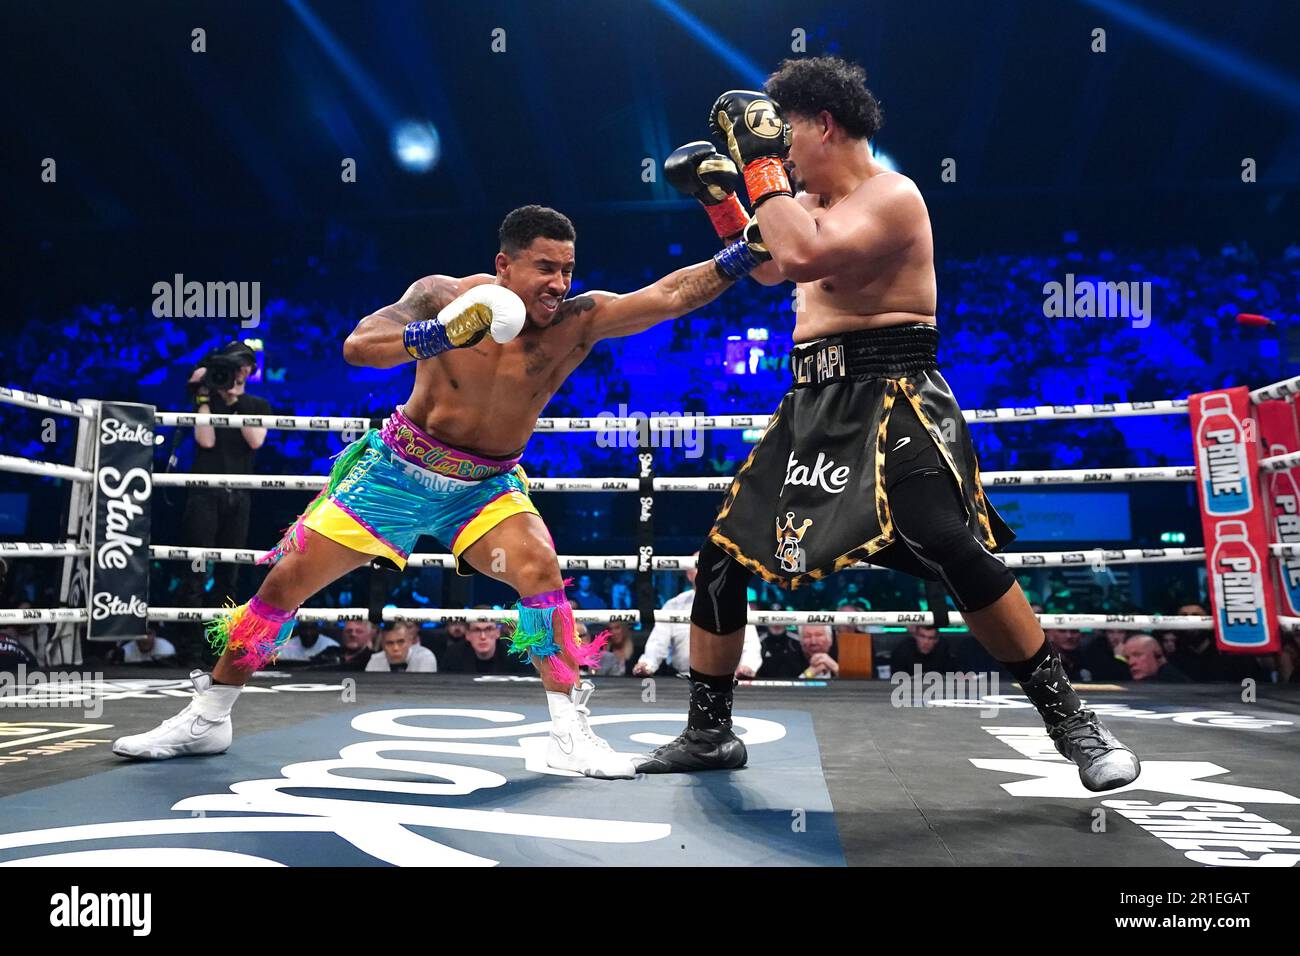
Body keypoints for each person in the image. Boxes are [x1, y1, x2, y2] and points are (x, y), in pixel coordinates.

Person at [115, 205, 765, 777]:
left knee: (539, 570)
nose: (559, 283)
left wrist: (745, 249)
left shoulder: (576, 320)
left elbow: (674, 293)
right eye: (546, 268)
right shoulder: (438, 295)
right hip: (396, 471)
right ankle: (208, 718)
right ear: (503, 265)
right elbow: (357, 347)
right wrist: (441, 333)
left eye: (567, 268)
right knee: (282, 586)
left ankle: (570, 732)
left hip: (484, 486)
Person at [639, 57, 1140, 793]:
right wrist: (723, 202)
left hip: (891, 391)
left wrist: (757, 167)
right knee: (724, 554)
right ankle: (709, 733)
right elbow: (776, 265)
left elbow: (804, 253)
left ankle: (1076, 727)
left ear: (822, 126)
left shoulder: (892, 196)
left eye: (783, 135)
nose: (777, 151)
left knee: (943, 542)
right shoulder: (806, 196)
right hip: (811, 401)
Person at [176, 340, 270, 660]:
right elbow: (206, 440)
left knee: (229, 573)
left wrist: (235, 402)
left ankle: (219, 646)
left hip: (238, 495)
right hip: (204, 492)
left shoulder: (257, 405)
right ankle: (189, 647)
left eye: (243, 369)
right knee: (196, 569)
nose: (238, 375)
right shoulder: (207, 401)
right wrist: (204, 397)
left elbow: (255, 441)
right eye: (233, 369)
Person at [633, 554, 761, 678]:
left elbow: (750, 642)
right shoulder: (674, 604)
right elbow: (658, 641)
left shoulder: (735, 602)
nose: (706, 570)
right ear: (689, 575)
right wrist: (648, 664)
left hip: (728, 678)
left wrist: (747, 666)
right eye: (699, 566)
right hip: (684, 677)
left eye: (710, 565)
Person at [440, 617, 532, 675]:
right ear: (467, 634)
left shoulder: (517, 656)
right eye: (476, 630)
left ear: (497, 632)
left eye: (489, 629)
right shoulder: (453, 655)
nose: (483, 636)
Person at [889, 625, 958, 677]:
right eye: (922, 636)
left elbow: (951, 680)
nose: (926, 642)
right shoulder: (902, 651)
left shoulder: (944, 652)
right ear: (915, 636)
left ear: (936, 640)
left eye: (930, 638)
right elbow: (895, 682)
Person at [367, 623, 437, 673]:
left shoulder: (425, 658)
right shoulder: (375, 661)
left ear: (410, 642)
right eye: (389, 643)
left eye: (401, 642)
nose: (395, 648)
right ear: (383, 645)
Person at [1123, 634, 1190, 683]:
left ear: (1157, 655)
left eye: (1137, 655)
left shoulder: (1176, 684)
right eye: (1127, 658)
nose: (1130, 662)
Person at [275, 620, 341, 664]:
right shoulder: (286, 647)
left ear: (318, 630)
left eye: (312, 629)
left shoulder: (332, 645)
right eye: (304, 629)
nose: (308, 633)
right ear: (298, 630)